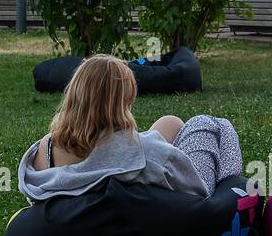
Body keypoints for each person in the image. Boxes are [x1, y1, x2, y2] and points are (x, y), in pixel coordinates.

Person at [18, 54, 242, 201]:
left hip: (112, 162)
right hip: (181, 189)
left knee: (169, 123)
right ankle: (237, 198)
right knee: (212, 125)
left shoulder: (43, 149)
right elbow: (195, 192)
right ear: (122, 102)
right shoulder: (141, 152)